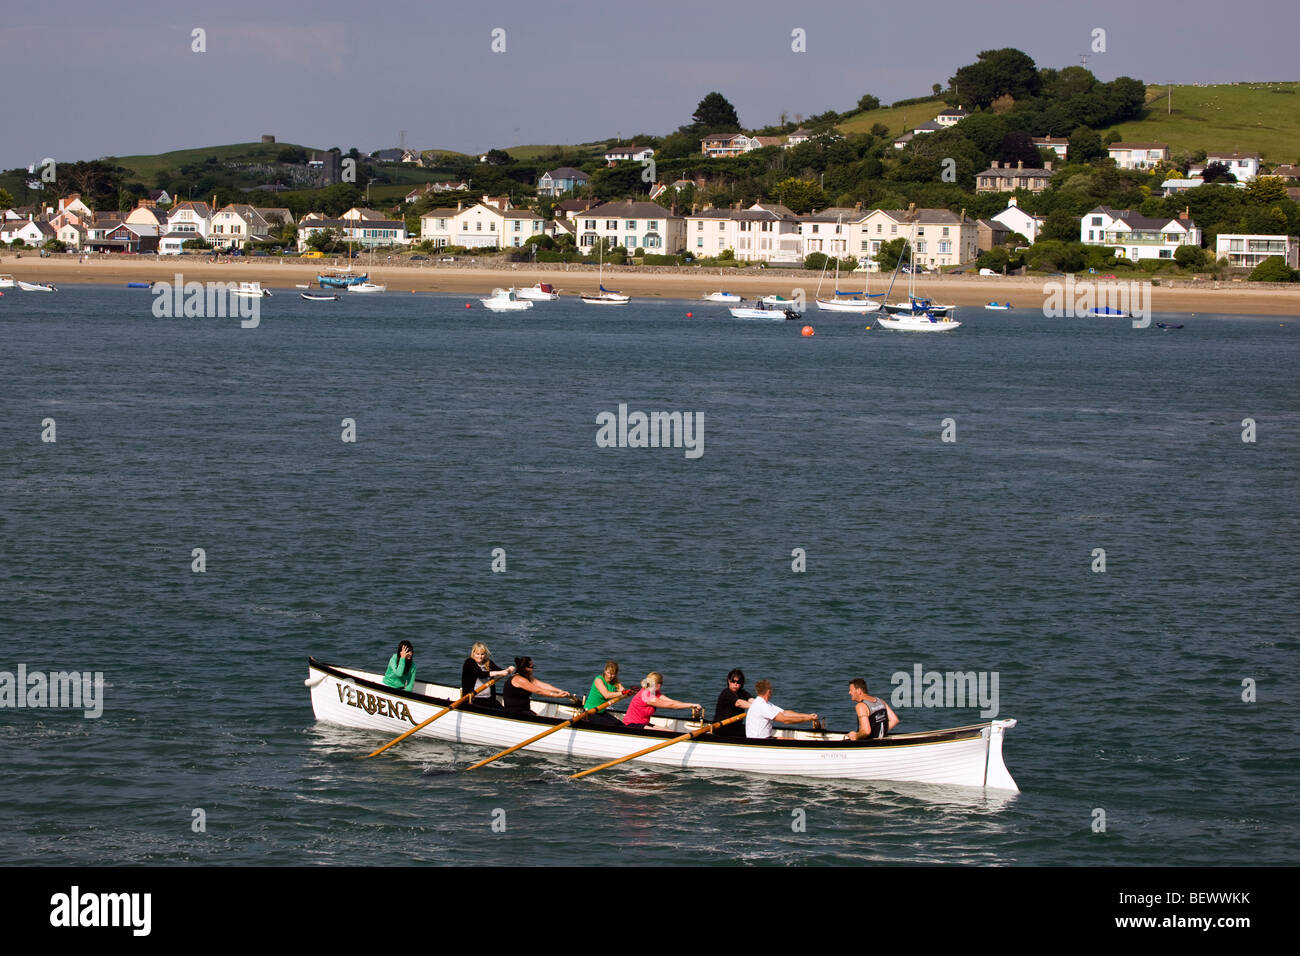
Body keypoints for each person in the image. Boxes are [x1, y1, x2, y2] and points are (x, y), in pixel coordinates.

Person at [501, 656, 580, 715]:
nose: (533, 669)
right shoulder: (519, 679)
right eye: (532, 667)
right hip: (514, 712)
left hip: (524, 709)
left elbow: (541, 685)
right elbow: (538, 690)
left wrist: (559, 691)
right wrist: (556, 696)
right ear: (525, 668)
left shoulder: (527, 677)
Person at [622, 673, 702, 729]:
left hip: (643, 724)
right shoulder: (646, 696)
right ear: (658, 684)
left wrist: (692, 705)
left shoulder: (654, 692)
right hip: (631, 725)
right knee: (668, 735)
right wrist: (691, 705)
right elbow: (672, 706)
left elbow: (672, 702)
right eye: (662, 683)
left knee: (670, 732)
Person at [744, 679, 819, 739]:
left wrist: (808, 716)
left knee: (791, 740)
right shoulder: (762, 706)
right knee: (792, 741)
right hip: (759, 741)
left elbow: (785, 713)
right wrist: (807, 719)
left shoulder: (765, 704)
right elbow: (786, 720)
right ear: (768, 691)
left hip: (763, 739)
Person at [460, 642, 514, 708]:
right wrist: (499, 673)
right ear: (473, 653)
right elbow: (481, 674)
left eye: (482, 654)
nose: (480, 657)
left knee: (503, 710)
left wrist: (508, 670)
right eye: (478, 654)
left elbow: (499, 670)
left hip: (489, 699)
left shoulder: (488, 662)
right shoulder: (469, 662)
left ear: (485, 654)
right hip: (473, 699)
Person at [583, 661, 628, 726]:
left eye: (612, 674)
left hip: (601, 711)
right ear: (605, 671)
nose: (610, 676)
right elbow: (606, 695)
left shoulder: (615, 682)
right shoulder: (598, 680)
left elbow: (623, 693)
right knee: (612, 725)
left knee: (620, 724)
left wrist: (630, 692)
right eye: (608, 673)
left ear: (616, 674)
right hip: (590, 711)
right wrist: (622, 693)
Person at [712, 668, 752, 738]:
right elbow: (738, 703)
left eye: (738, 682)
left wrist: (760, 705)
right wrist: (756, 707)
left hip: (735, 727)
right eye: (733, 681)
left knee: (752, 729)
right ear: (729, 681)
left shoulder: (742, 693)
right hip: (722, 729)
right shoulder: (726, 693)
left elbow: (752, 700)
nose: (735, 684)